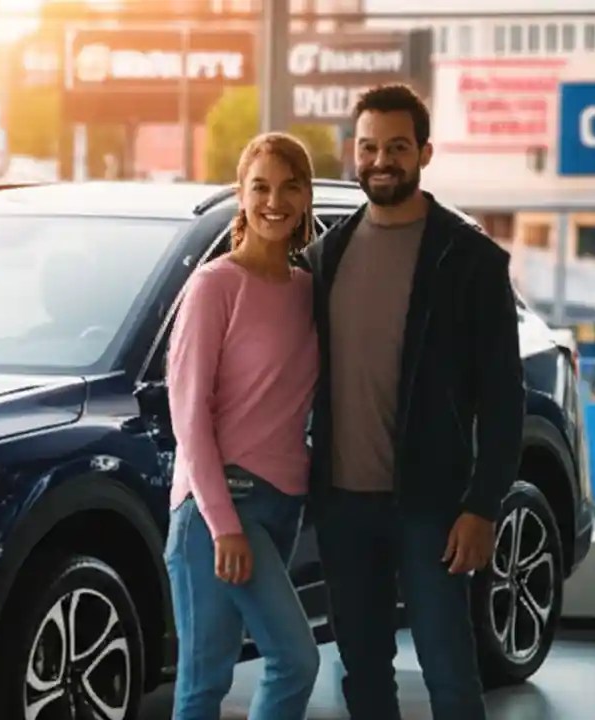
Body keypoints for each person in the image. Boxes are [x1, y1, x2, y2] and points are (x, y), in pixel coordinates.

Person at [302, 83, 524, 720]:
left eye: (397, 147)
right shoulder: (327, 254)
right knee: (363, 676)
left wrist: (483, 506)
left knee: (450, 673)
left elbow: (503, 398)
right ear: (354, 151)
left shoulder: (470, 259)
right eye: (369, 147)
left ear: (424, 152)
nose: (381, 161)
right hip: (342, 507)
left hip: (432, 507)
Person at [164, 132, 321, 720]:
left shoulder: (309, 290)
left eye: (288, 188)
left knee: (225, 671)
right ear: (242, 195)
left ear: (305, 199)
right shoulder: (214, 287)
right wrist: (223, 524)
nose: (274, 201)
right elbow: (189, 415)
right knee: (277, 665)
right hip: (217, 510)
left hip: (283, 505)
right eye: (260, 187)